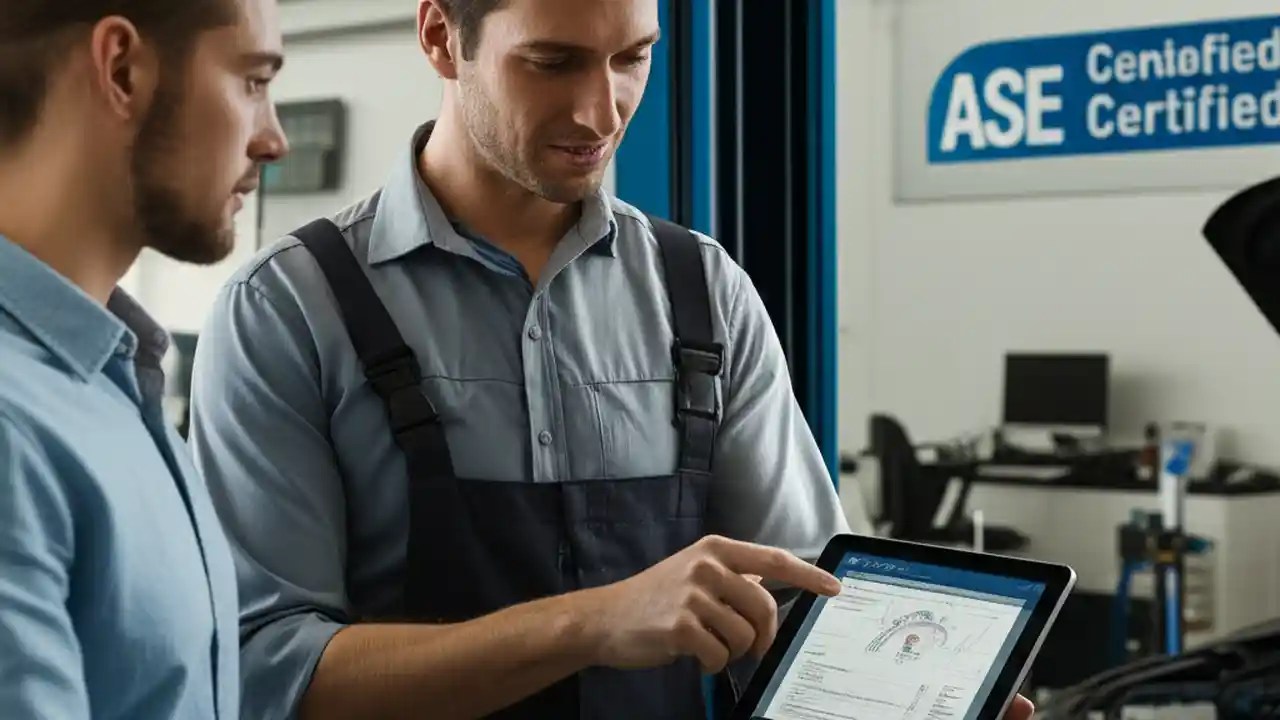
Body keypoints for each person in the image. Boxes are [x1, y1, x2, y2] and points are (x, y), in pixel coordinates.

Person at [188, 0, 1034, 718]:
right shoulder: (289, 308)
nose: (602, 110)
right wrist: (595, 623)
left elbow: (799, 611)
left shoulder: (704, 289)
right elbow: (262, 672)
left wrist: (903, 695)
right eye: (552, 64)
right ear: (442, 37)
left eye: (634, 58)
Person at [0, 1, 288, 718]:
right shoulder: (14, 425)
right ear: (122, 69)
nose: (273, 138)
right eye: (253, 81)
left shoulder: (115, 382)